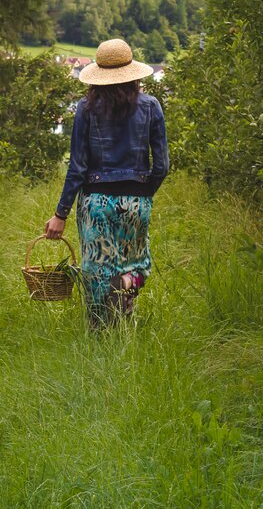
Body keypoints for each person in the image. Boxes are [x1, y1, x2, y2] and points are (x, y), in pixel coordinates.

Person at [43, 38, 168, 328]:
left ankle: (100, 332)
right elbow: (161, 165)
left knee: (97, 271)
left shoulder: (86, 109)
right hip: (137, 201)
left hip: (96, 202)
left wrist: (60, 213)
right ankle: (124, 305)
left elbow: (77, 167)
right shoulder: (151, 107)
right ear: (132, 73)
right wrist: (143, 192)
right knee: (136, 266)